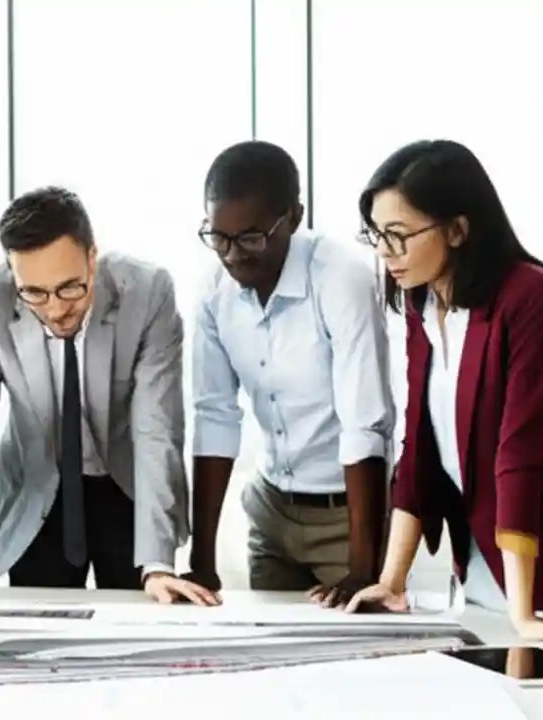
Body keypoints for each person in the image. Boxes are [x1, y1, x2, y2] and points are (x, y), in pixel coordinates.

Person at [342, 139, 543, 640]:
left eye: (398, 235)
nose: (384, 252)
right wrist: (390, 581)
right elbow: (419, 445)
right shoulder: (423, 302)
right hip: (486, 571)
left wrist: (525, 614)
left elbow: (521, 455)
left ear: (458, 229)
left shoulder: (532, 298)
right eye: (377, 234)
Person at [0, 186, 199, 604]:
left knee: (136, 619)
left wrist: (158, 564)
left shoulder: (148, 292)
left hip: (127, 486)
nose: (54, 309)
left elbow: (156, 430)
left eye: (71, 288)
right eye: (33, 293)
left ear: (92, 257)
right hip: (37, 488)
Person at [188, 140, 394, 607]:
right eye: (219, 237)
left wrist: (362, 569)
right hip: (272, 514)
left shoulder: (341, 278)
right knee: (272, 660)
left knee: (354, 662)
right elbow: (214, 416)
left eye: (251, 237)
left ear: (294, 217)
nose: (233, 255)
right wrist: (203, 563)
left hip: (347, 518)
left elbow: (365, 422)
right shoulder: (213, 293)